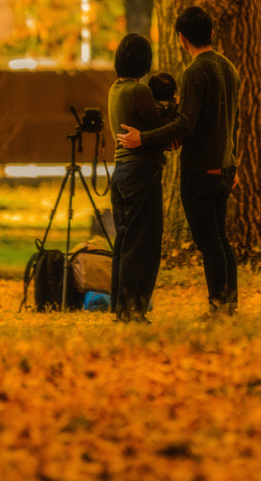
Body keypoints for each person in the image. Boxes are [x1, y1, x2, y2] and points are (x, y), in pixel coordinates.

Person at [119, 6, 240, 317]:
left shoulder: (195, 71)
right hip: (225, 167)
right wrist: (234, 162)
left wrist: (142, 139)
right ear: (211, 32)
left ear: (181, 38)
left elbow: (186, 123)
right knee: (221, 237)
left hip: (201, 169)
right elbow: (231, 122)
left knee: (209, 240)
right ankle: (229, 304)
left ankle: (218, 307)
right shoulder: (230, 68)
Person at [106, 33, 165, 324]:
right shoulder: (139, 91)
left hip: (120, 173)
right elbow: (158, 127)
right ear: (145, 61)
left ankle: (120, 307)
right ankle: (135, 309)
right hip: (142, 172)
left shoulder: (115, 89)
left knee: (124, 241)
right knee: (144, 243)